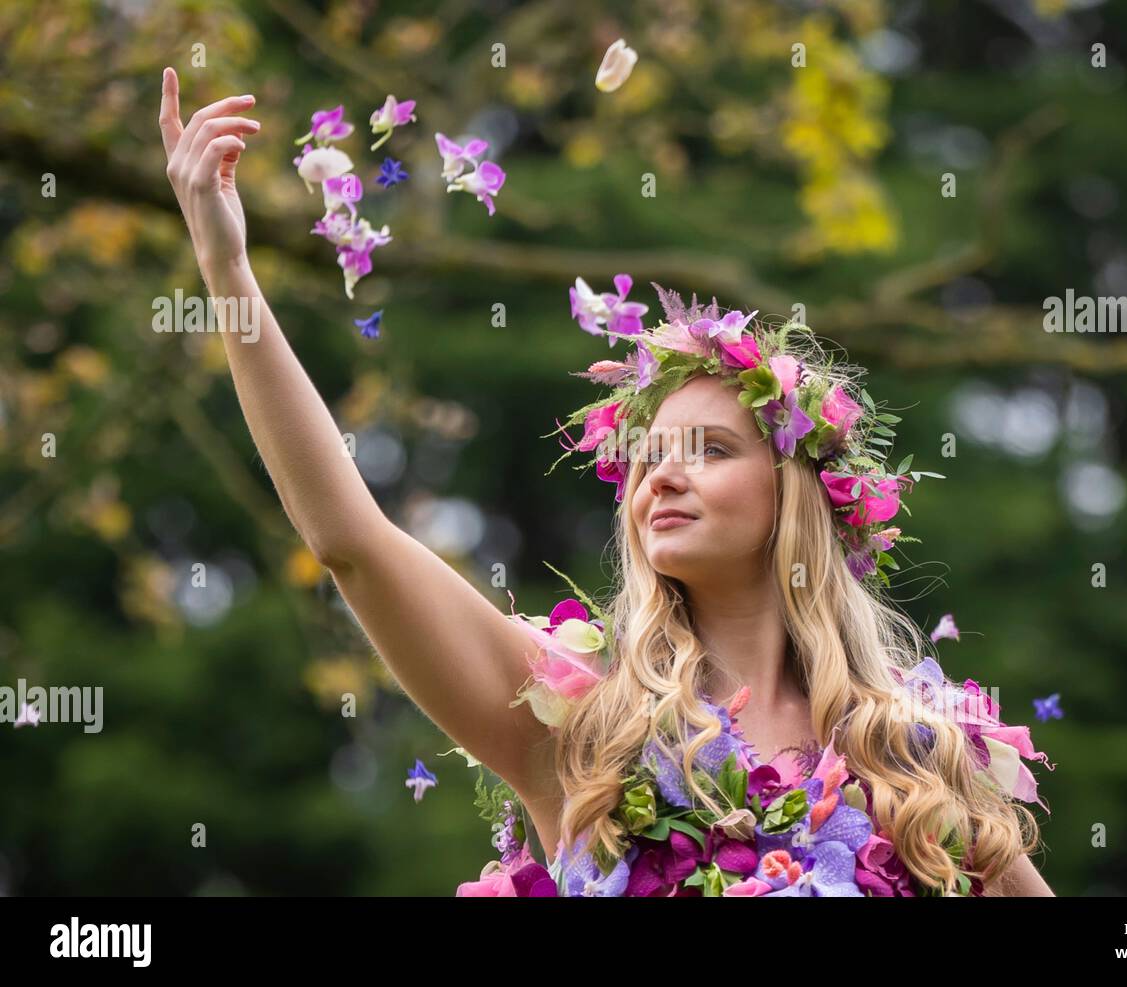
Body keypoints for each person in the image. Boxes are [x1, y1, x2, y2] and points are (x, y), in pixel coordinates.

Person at [158, 67, 1054, 897]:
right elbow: (349, 542)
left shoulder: (918, 754)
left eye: (708, 448)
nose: (661, 473)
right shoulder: (577, 723)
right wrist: (228, 271)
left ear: (795, 495)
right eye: (650, 454)